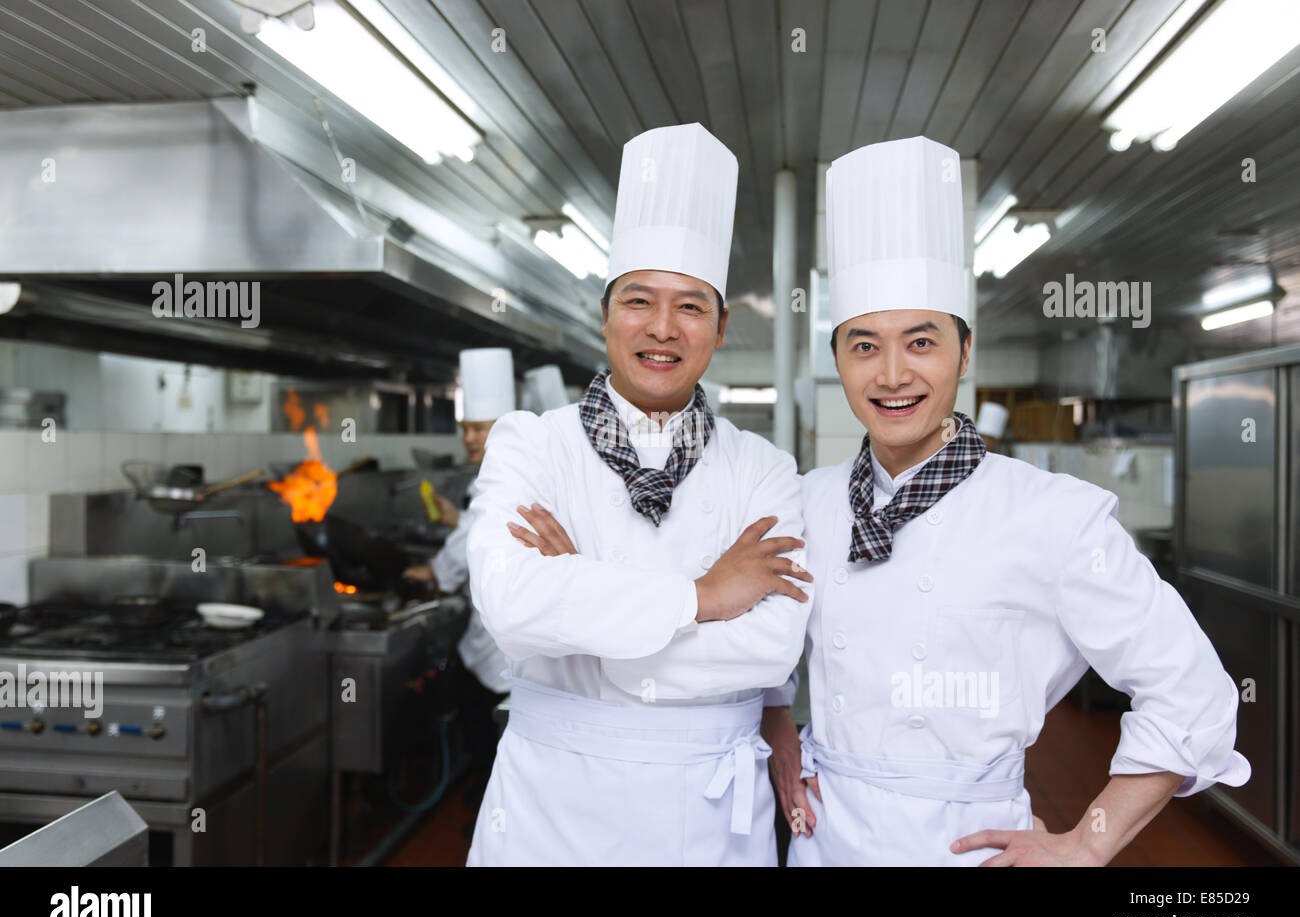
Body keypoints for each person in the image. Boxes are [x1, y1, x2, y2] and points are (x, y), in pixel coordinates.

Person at [761, 135, 1249, 866]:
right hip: (825, 843)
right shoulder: (806, 503)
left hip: (971, 851)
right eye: (864, 345)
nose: (892, 374)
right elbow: (757, 654)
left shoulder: (1052, 514)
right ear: (837, 360)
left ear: (964, 351)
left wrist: (1087, 845)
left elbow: (1194, 694)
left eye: (920, 342)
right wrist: (776, 720)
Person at [463, 123, 812, 866]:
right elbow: (512, 604)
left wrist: (589, 613)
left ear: (719, 328)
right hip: (550, 814)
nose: (661, 327)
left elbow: (773, 645)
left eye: (690, 306)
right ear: (604, 316)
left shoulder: (763, 468)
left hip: (711, 821)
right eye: (638, 300)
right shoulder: (532, 442)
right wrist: (705, 596)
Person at [403, 348, 516, 810]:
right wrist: (457, 524)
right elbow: (480, 532)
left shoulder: (502, 478)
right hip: (496, 647)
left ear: (503, 428)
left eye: (478, 428)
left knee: (488, 750)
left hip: (498, 653)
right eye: (465, 428)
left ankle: (483, 825)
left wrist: (423, 573)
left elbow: (451, 567)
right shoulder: (496, 476)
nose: (468, 438)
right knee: (487, 751)